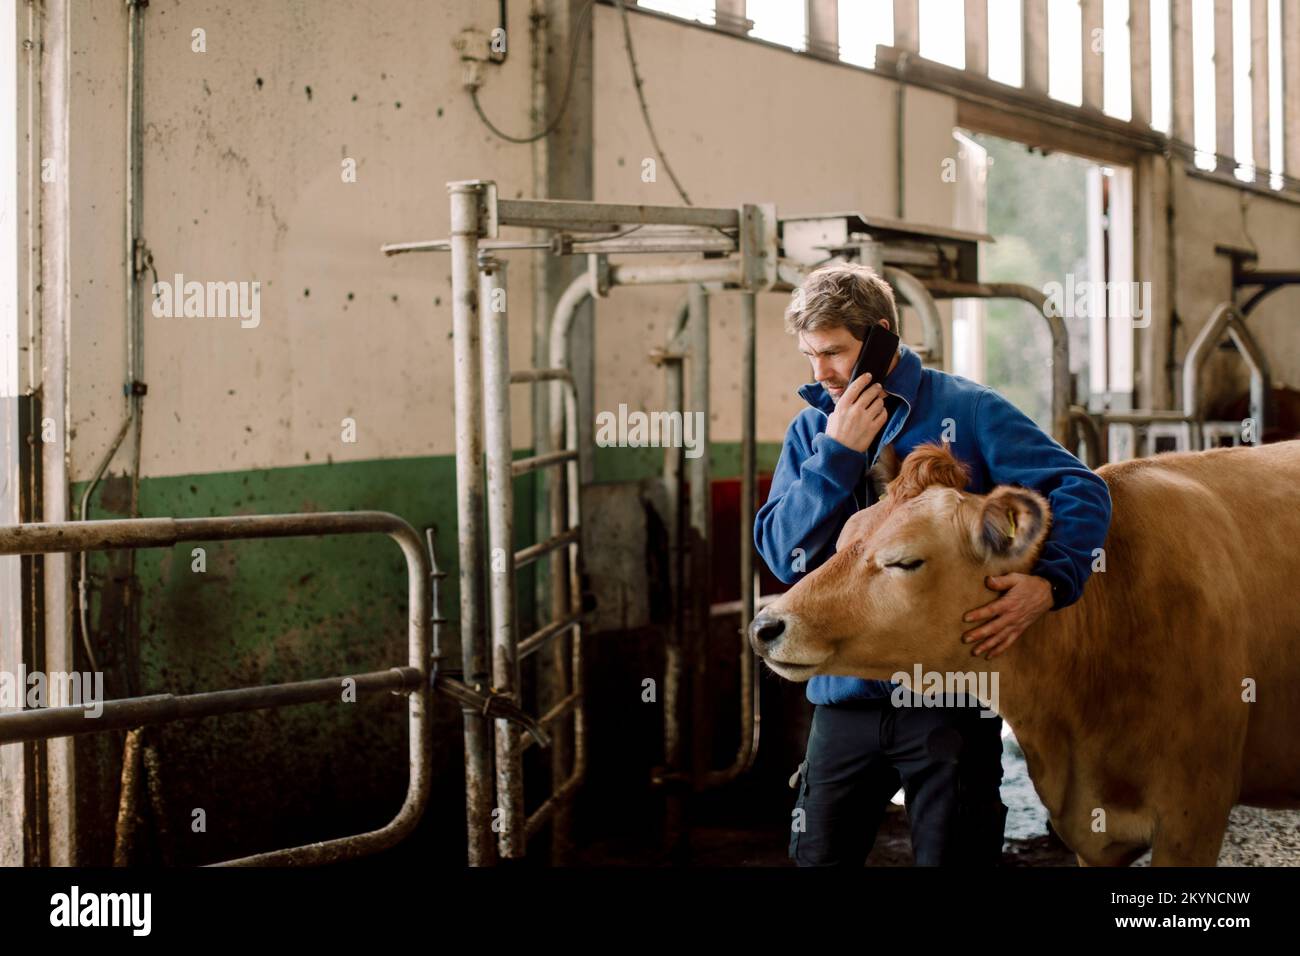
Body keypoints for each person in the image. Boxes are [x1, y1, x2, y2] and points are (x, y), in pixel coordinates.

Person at [754, 262, 1112, 866]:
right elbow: (785, 557)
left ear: (882, 337)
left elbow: (1080, 489)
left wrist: (1050, 581)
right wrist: (836, 456)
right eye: (811, 355)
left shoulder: (969, 411)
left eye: (836, 352)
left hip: (949, 695)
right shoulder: (814, 428)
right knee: (818, 859)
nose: (822, 373)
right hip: (845, 695)